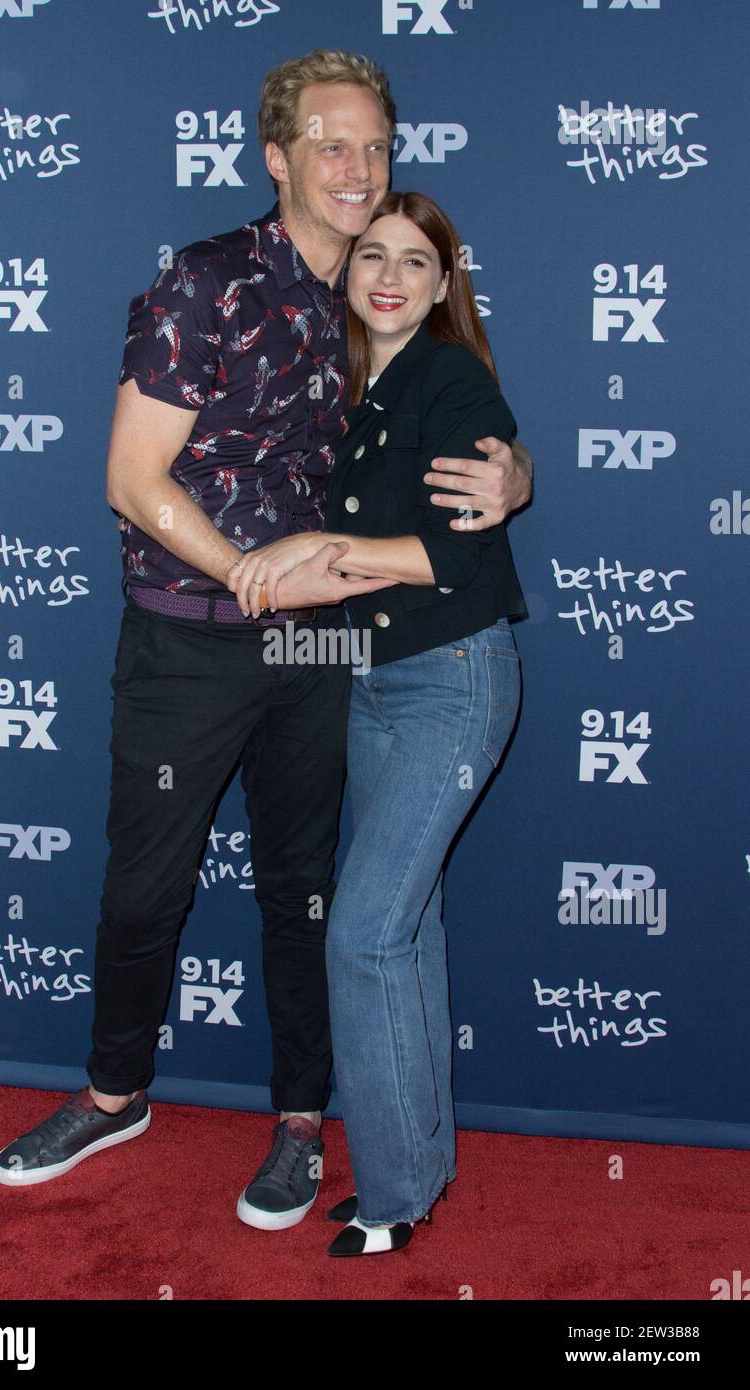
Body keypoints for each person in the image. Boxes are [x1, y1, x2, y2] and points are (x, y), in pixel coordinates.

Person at [0, 51, 532, 1234]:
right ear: (276, 157)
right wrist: (241, 570)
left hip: (322, 647)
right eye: (331, 143)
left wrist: (513, 473)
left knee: (305, 890)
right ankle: (113, 1094)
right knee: (145, 886)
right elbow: (132, 479)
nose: (357, 166)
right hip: (187, 639)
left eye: (374, 145)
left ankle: (298, 1121)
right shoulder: (205, 281)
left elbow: (454, 403)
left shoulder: (371, 300)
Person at [229, 190, 527, 1256]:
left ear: (444, 285)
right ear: (345, 273)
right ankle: (420, 1168)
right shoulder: (349, 389)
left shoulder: (449, 377)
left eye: (413, 260)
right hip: (368, 680)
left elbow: (456, 551)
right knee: (407, 927)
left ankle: (395, 1194)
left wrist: (315, 551)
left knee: (362, 932)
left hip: (453, 678)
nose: (389, 276)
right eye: (371, 256)